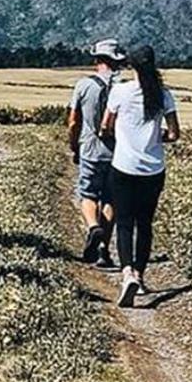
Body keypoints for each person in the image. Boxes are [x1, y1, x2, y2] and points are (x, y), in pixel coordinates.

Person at [100, 44, 179, 308]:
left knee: (124, 223)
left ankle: (127, 274)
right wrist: (155, 139)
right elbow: (174, 133)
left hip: (123, 165)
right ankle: (141, 275)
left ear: (131, 66)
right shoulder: (164, 95)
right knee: (145, 224)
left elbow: (105, 126)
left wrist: (120, 137)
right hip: (153, 168)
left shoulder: (120, 92)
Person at [67, 40, 125, 265]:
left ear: (97, 60)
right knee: (110, 199)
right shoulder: (124, 87)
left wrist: (74, 145)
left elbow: (73, 122)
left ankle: (93, 228)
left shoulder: (83, 85)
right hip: (117, 153)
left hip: (90, 149)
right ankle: (104, 251)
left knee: (88, 195)